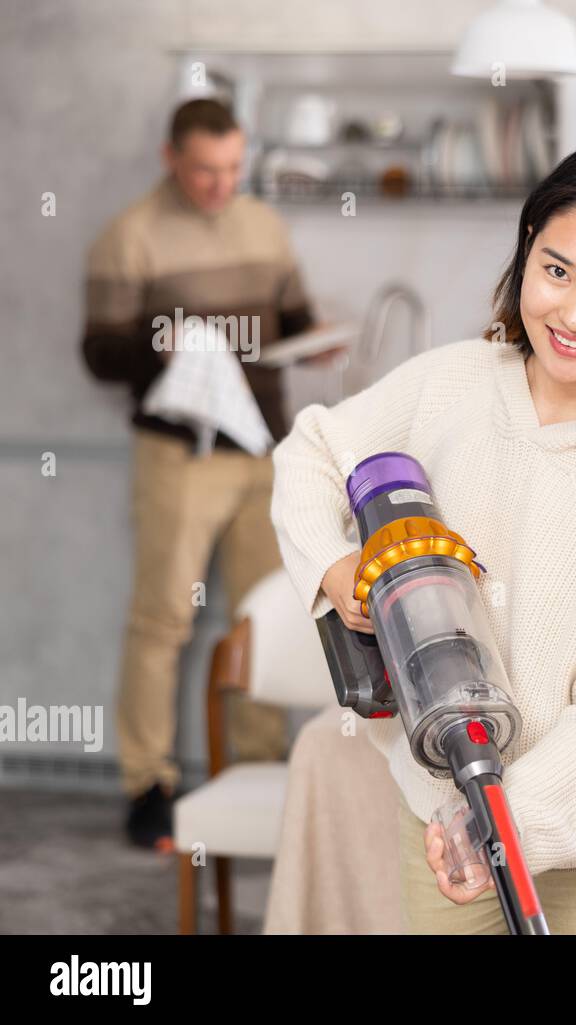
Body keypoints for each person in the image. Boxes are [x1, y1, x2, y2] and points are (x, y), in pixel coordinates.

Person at [269, 139, 576, 934]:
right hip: (442, 843)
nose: (575, 315)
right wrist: (337, 569)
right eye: (556, 271)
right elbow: (312, 450)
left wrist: (507, 826)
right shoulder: (454, 381)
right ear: (525, 254)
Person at [82, 98, 318, 849]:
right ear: (171, 159)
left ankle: (258, 769)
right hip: (181, 459)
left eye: (232, 168)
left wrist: (320, 343)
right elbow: (99, 353)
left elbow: (295, 322)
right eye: (205, 170)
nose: (220, 184)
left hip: (263, 455)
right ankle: (147, 783)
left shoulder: (264, 226)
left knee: (262, 615)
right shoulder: (130, 237)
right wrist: (172, 348)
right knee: (162, 621)